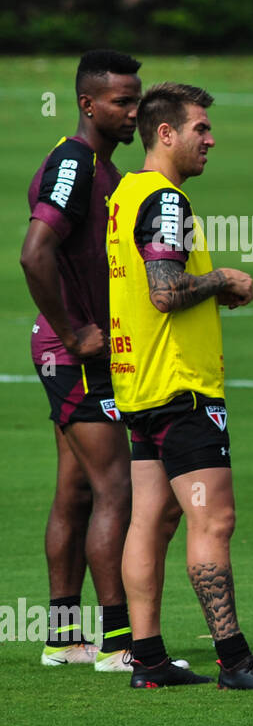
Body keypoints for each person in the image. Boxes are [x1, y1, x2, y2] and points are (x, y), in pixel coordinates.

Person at [107, 82, 253, 690]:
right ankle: (235, 660)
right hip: (181, 389)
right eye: (200, 129)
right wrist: (220, 279)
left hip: (138, 386)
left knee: (151, 521)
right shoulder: (166, 200)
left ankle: (147, 660)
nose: (210, 139)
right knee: (212, 521)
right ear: (165, 134)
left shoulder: (124, 193)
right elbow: (165, 292)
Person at [20, 51, 143, 672]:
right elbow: (33, 251)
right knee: (113, 489)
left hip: (79, 350)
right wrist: (72, 333)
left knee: (73, 491)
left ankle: (64, 636)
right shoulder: (73, 163)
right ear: (88, 104)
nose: (133, 112)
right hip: (75, 354)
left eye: (137, 100)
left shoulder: (102, 167)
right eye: (122, 101)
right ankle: (120, 641)